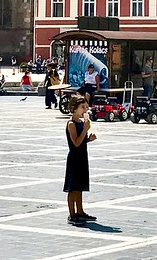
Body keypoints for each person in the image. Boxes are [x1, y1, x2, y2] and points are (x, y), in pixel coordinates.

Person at [63, 94, 97, 226]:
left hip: (82, 156)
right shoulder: (71, 124)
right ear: (74, 108)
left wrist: (89, 139)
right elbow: (76, 143)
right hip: (74, 158)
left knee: (80, 186)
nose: (85, 109)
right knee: (73, 187)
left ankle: (80, 211)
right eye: (82, 107)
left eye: (86, 107)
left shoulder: (81, 123)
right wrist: (85, 130)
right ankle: (72, 214)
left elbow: (81, 141)